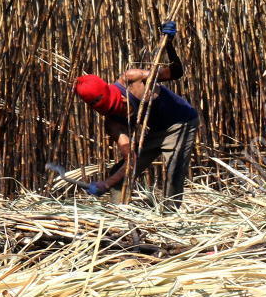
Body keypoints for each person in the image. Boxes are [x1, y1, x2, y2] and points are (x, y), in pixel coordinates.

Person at [72, 21, 199, 209]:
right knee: (118, 172)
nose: (123, 105)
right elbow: (130, 160)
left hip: (181, 122)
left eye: (119, 101)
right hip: (157, 130)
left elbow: (176, 72)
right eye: (116, 109)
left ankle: (170, 217)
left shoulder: (134, 79)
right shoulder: (113, 123)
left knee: (174, 168)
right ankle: (119, 214)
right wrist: (106, 184)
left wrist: (169, 44)